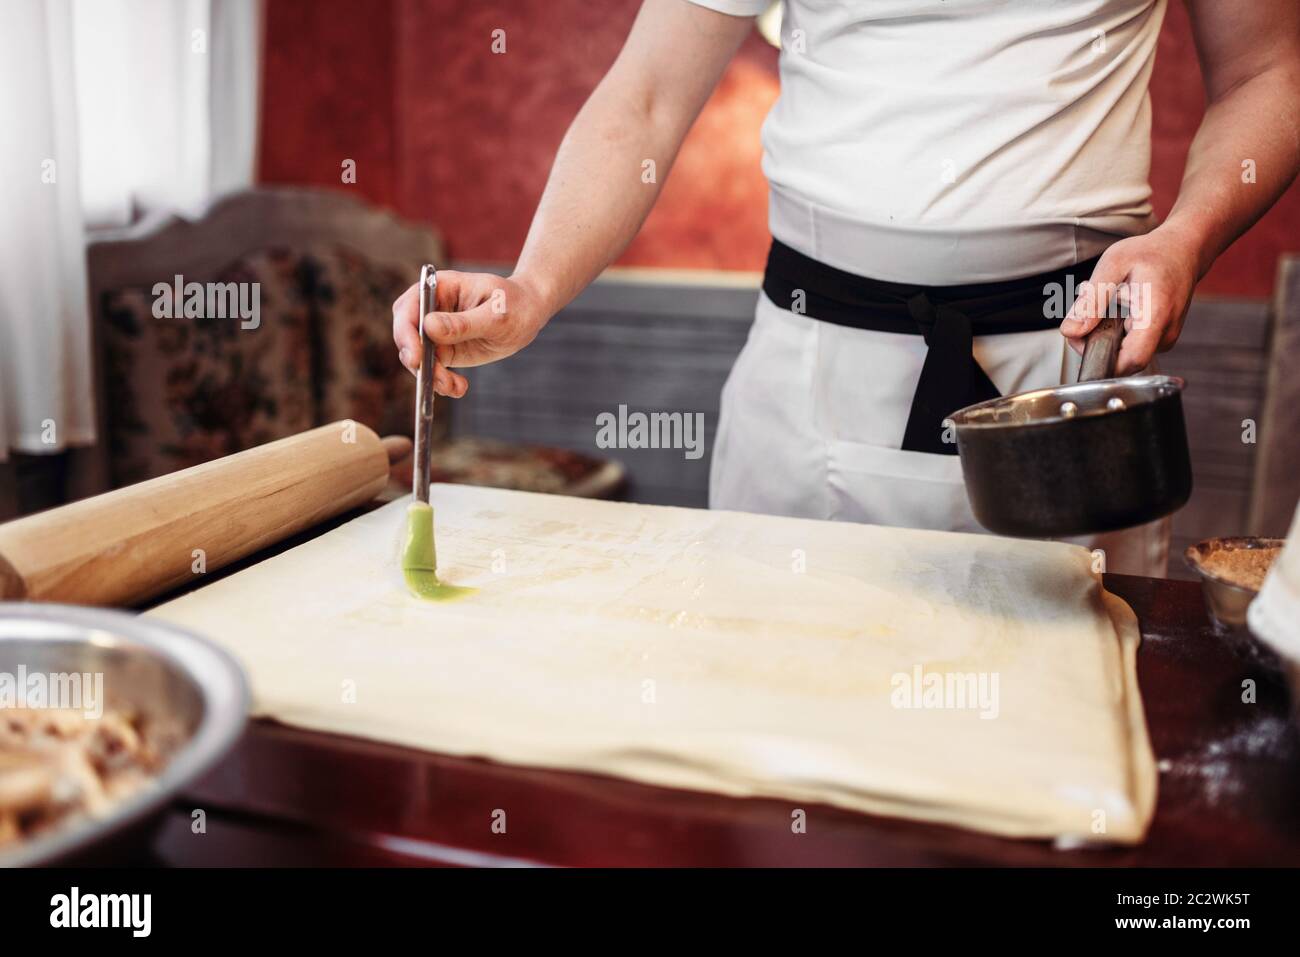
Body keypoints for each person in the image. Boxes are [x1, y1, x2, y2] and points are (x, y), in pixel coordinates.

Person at [392, 0, 1300, 575]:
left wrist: (1186, 239)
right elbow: (647, 96)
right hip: (809, 380)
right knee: (780, 754)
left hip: (1062, 372)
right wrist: (536, 283)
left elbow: (1270, 70)